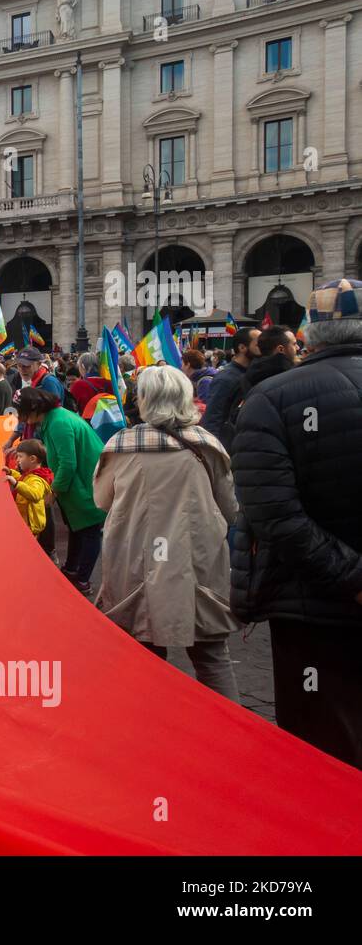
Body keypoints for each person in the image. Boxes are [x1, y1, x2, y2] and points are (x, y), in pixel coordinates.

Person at [231, 286, 362, 767]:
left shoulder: (271, 397)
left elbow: (273, 516)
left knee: (322, 747)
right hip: (316, 601)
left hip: (312, 607)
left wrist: (354, 579)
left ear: (306, 333)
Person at [94, 366, 241, 701]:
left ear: (144, 400)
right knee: (211, 656)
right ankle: (234, 734)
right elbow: (230, 509)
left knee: (142, 653)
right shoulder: (208, 446)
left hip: (136, 560)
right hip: (195, 561)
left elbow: (102, 500)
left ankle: (154, 728)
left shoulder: (120, 446)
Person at [16, 387, 106, 594]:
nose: (21, 417)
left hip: (84, 484)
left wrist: (53, 492)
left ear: (34, 408)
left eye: (22, 412)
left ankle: (83, 579)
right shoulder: (53, 419)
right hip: (78, 483)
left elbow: (67, 463)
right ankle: (72, 569)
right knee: (77, 529)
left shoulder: (58, 423)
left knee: (89, 531)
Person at [199, 327, 259, 450]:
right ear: (242, 348)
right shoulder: (226, 378)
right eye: (259, 343)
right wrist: (213, 452)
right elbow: (213, 418)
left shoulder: (255, 373)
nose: (264, 347)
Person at [4, 438, 53, 539]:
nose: (17, 460)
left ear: (32, 459)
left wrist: (16, 484)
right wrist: (11, 472)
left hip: (30, 526)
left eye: (20, 456)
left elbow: (35, 494)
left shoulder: (38, 479)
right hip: (25, 523)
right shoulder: (31, 475)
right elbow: (24, 480)